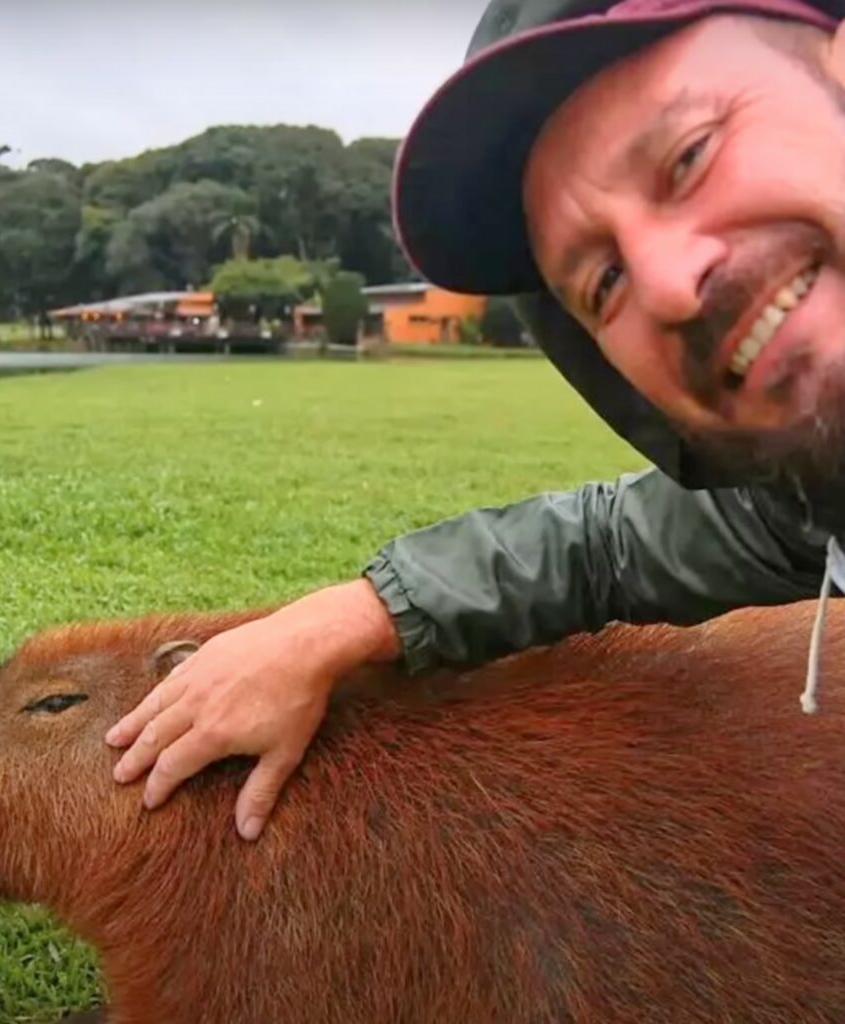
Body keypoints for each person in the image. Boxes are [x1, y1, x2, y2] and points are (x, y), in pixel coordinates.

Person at [106, 0, 845, 841]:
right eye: (603, 284)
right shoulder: (808, 508)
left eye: (690, 155)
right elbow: (608, 548)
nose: (672, 285)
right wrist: (340, 620)